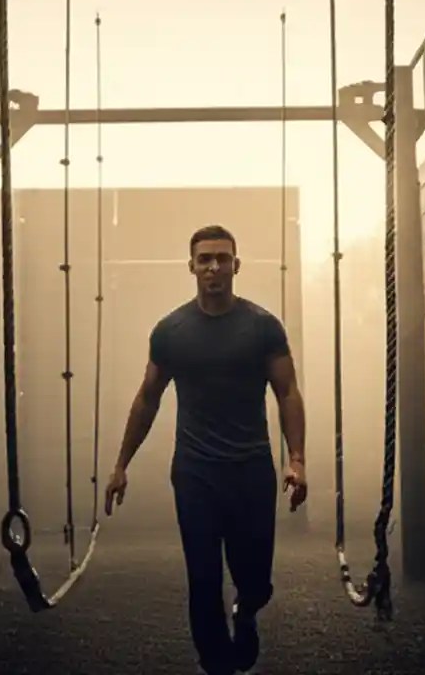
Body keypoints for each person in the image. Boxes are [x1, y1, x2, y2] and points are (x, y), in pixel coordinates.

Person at [104, 224, 308, 675]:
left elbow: (287, 392)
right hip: (196, 472)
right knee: (203, 576)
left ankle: (247, 610)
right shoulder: (171, 331)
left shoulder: (263, 327)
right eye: (205, 259)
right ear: (192, 267)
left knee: (254, 578)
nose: (213, 267)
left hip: (251, 468)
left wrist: (296, 459)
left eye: (222, 258)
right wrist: (121, 465)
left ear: (236, 265)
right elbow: (148, 398)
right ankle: (216, 663)